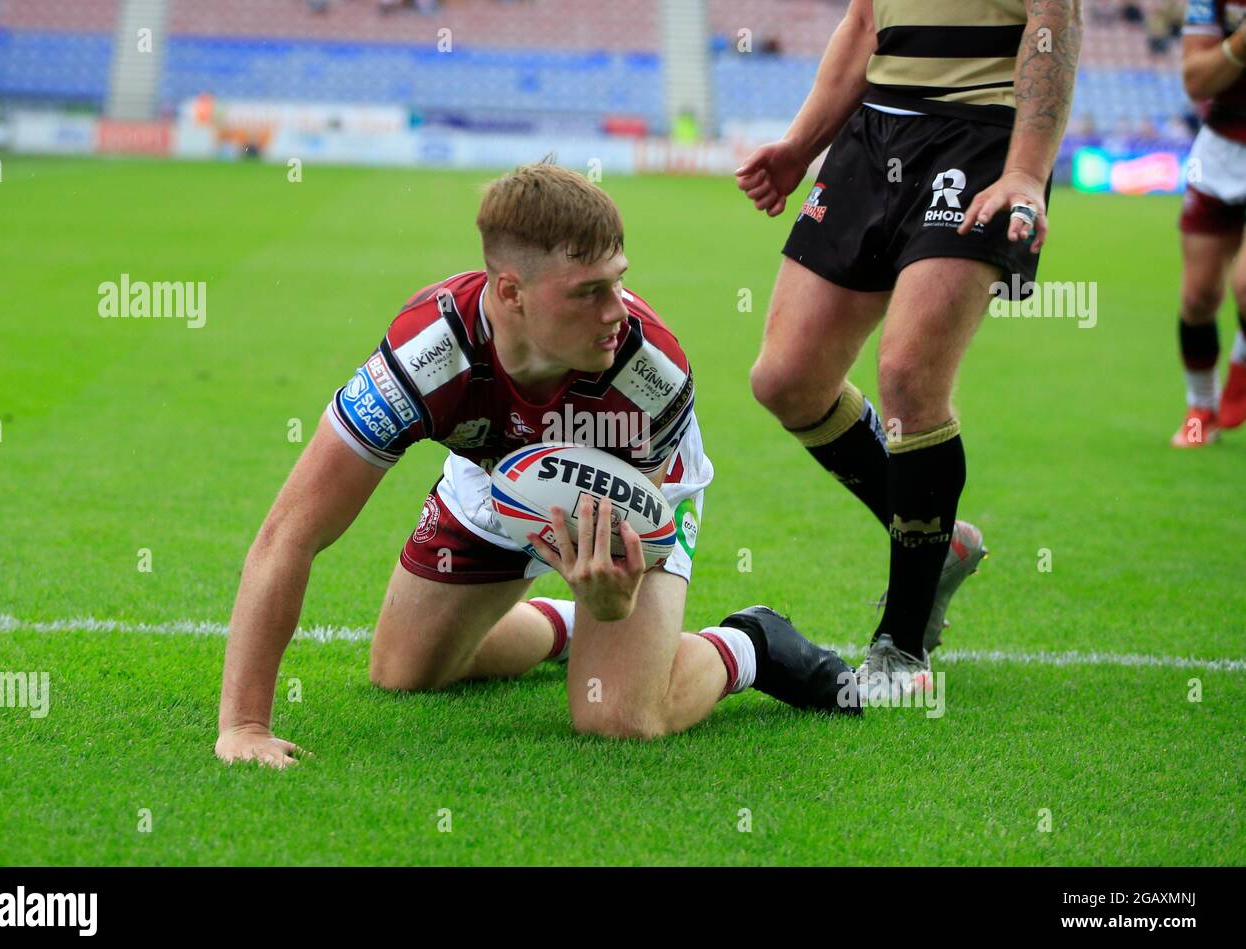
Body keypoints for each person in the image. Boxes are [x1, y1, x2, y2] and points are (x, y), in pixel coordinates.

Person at [215, 162, 858, 767]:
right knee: (405, 672)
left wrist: (613, 598)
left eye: (619, 281)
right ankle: (569, 629)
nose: (617, 310)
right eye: (588, 292)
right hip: (498, 467)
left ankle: (751, 645)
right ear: (510, 292)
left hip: (625, 482)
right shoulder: (425, 359)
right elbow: (290, 533)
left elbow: (629, 534)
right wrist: (244, 726)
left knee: (618, 716)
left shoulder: (649, 376)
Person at [735, 0, 1081, 700]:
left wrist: (1026, 170)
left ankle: (901, 646)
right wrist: (800, 145)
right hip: (873, 133)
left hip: (980, 137)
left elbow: (1056, 22)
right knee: (787, 379)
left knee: (908, 380)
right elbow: (865, 23)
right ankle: (939, 542)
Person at [1170, 0, 1246, 446]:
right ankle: (1201, 411)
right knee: (1197, 298)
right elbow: (1196, 81)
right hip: (1218, 151)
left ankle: (1241, 367)